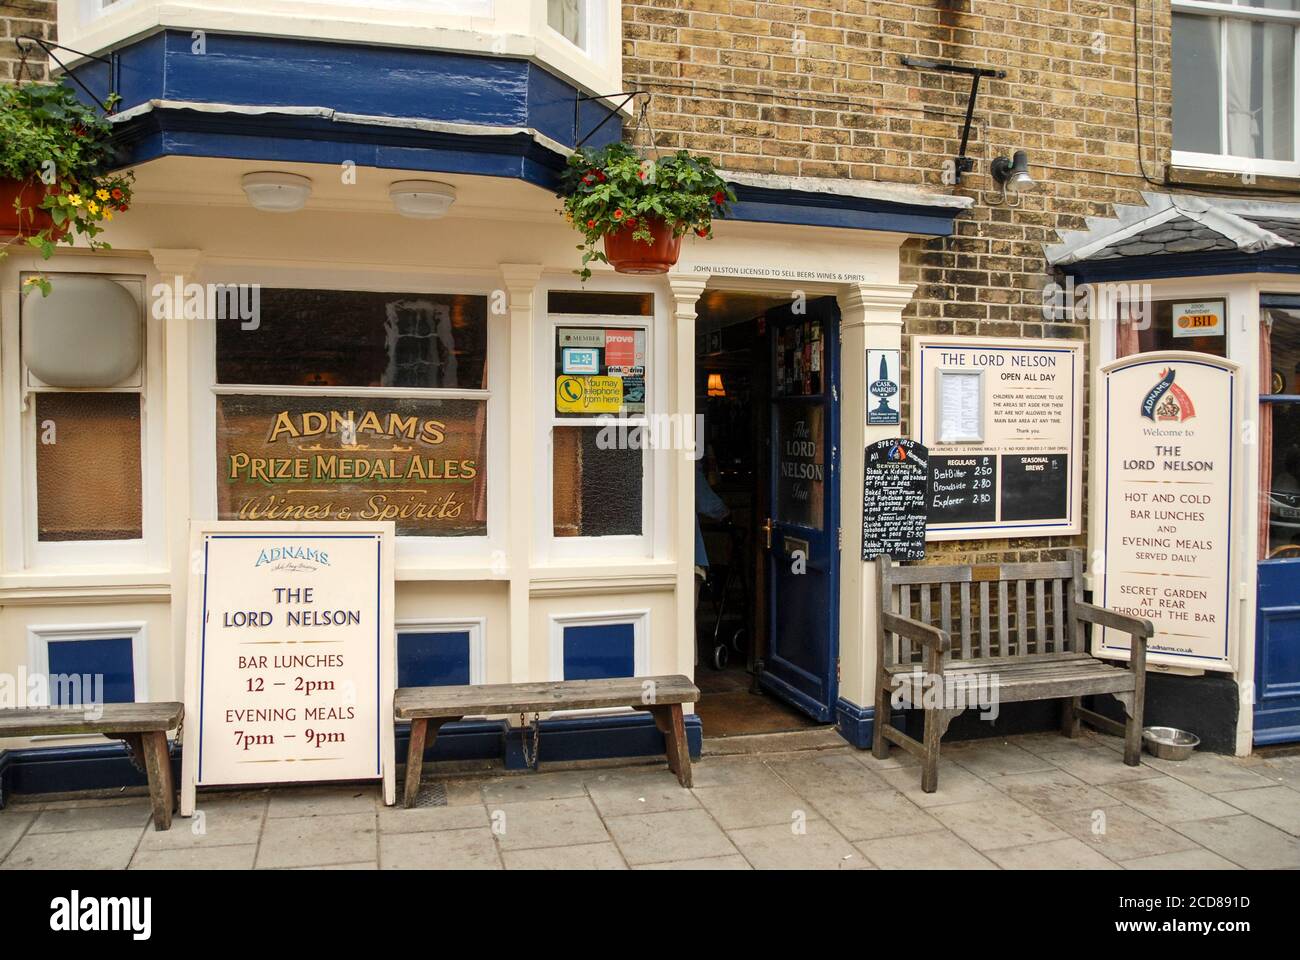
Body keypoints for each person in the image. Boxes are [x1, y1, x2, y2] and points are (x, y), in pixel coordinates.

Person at [695, 457, 729, 611]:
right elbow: (708, 504)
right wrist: (727, 513)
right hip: (689, 555)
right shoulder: (686, 462)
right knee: (687, 619)